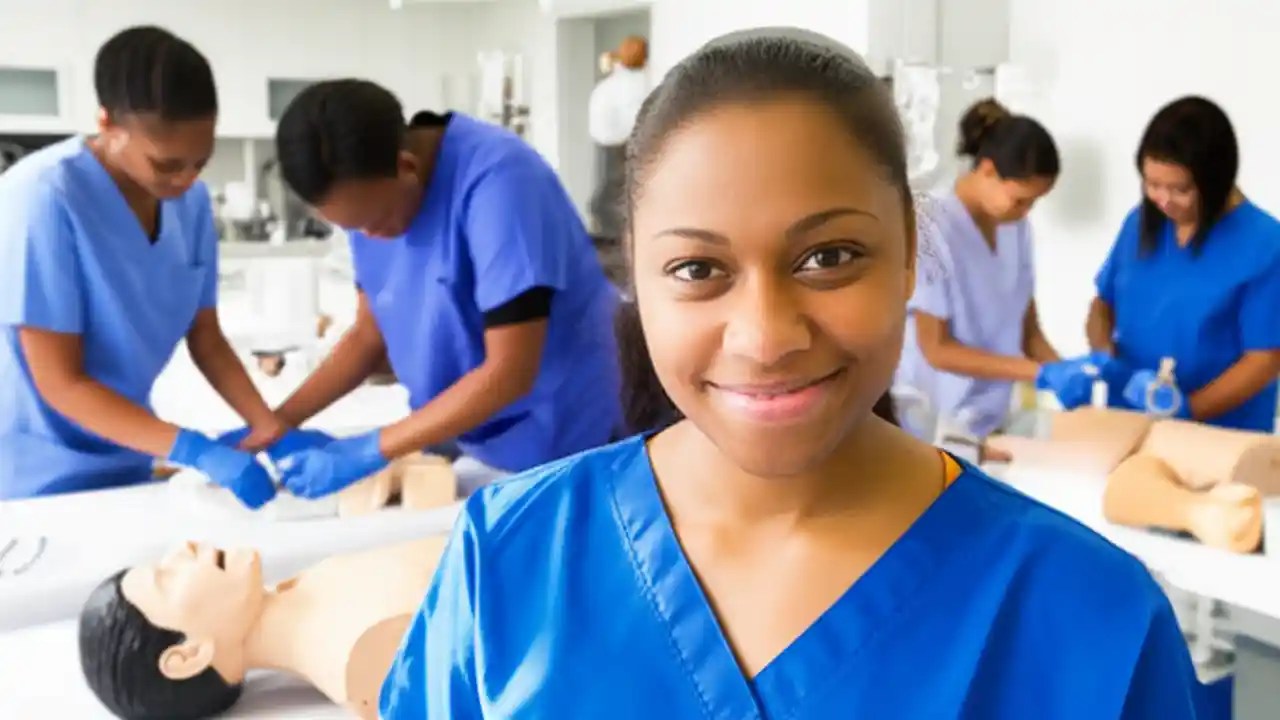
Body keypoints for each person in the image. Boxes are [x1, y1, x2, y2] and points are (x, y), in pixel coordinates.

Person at [378, 28, 1201, 719]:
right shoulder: (510, 560)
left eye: (829, 257)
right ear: (635, 269)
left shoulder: (1094, 620)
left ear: (911, 251)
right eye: (699, 269)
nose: (766, 338)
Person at [251, 79, 621, 499]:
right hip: (469, 433)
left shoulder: (500, 181)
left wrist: (373, 448)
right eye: (352, 229)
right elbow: (369, 337)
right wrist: (279, 421)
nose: (369, 237)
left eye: (374, 220)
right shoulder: (363, 186)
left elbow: (510, 371)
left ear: (406, 166)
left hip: (562, 433)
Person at [0, 27, 309, 504]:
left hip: (129, 447)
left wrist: (267, 426)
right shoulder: (43, 197)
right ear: (106, 123)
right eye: (166, 165)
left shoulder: (191, 202)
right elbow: (61, 381)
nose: (185, 180)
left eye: (199, 163)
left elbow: (206, 337)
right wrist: (192, 448)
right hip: (33, 473)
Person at [896, 98, 1096, 440]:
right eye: (1020, 199)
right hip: (930, 418)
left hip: (989, 417)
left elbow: (1028, 330)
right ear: (987, 170)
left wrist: (1068, 369)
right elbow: (937, 349)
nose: (1026, 211)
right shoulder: (932, 227)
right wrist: (1038, 373)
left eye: (1035, 202)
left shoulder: (1015, 229)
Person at [1086, 95, 1280, 431]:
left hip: (1221, 437)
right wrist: (1103, 358)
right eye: (1152, 184)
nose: (1162, 199)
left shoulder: (1264, 244)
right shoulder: (1140, 223)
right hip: (1131, 425)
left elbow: (1264, 360)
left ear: (1215, 179)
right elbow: (1103, 305)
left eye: (1180, 189)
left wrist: (1184, 411)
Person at [588, 35, 650, 241]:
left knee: (609, 197)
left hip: (610, 143)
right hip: (625, 144)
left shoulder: (612, 85)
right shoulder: (641, 84)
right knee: (617, 197)